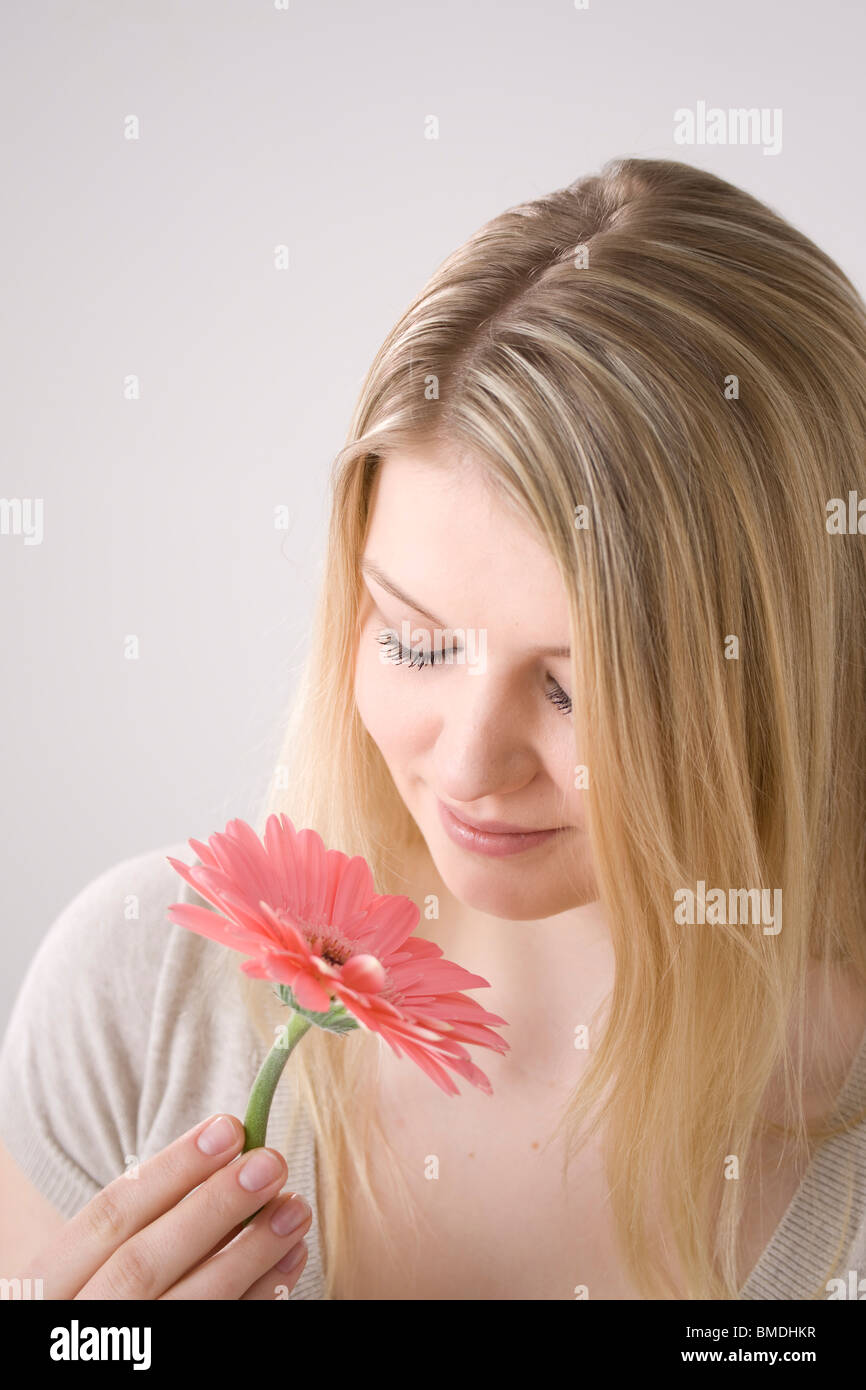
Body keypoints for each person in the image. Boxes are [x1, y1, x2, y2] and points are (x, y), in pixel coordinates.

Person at [3, 155, 866, 1301]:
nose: (465, 763)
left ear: (781, 673)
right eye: (413, 642)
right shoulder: (142, 998)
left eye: (575, 690)